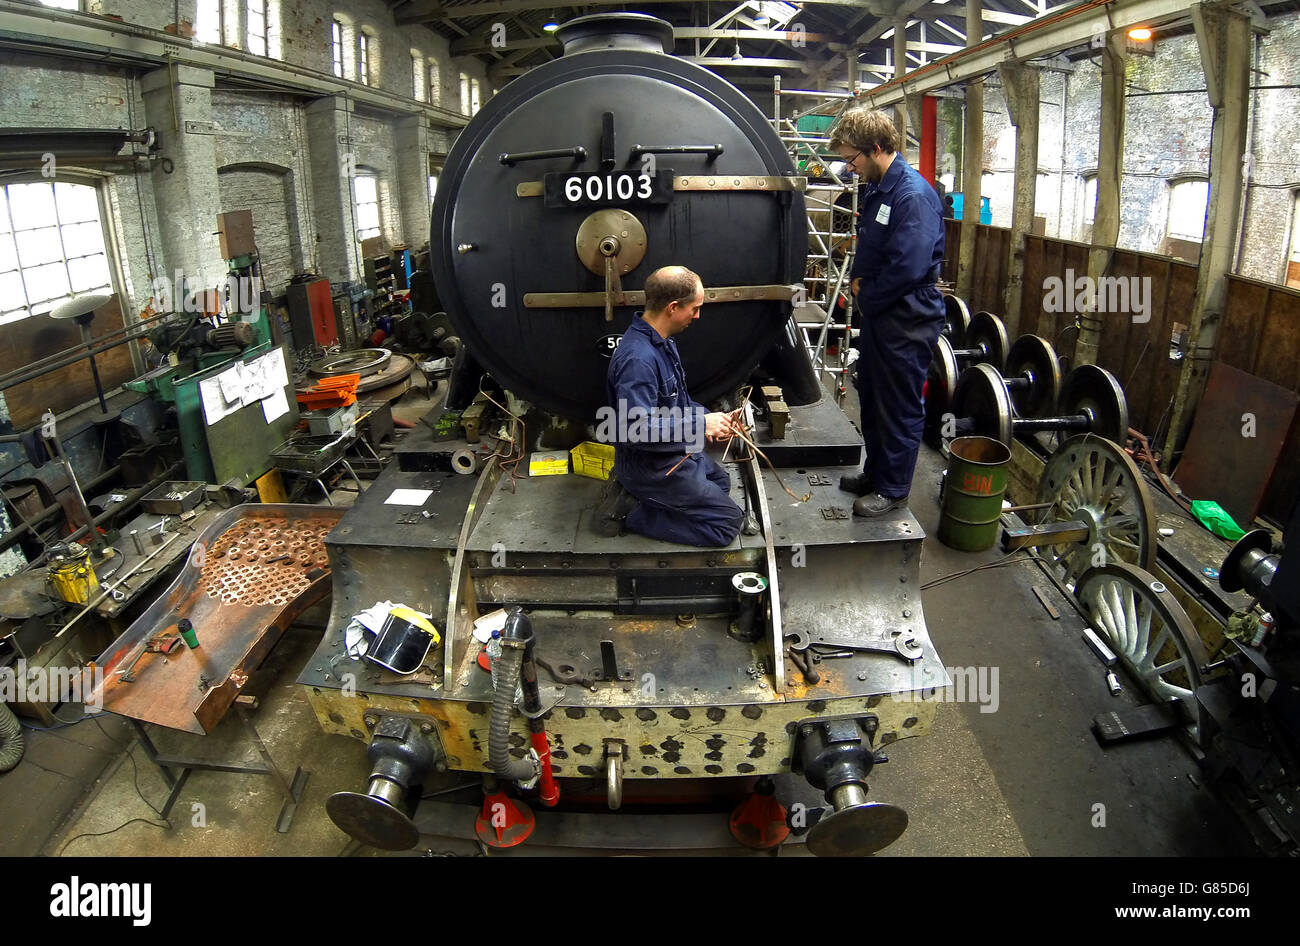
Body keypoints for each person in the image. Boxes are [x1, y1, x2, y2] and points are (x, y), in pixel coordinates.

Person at [829, 108, 946, 517]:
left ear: (876, 149)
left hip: (906, 314)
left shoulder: (911, 195)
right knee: (873, 394)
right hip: (883, 313)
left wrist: (867, 291)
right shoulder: (880, 187)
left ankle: (894, 489)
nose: (850, 167)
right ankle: (877, 473)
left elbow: (909, 267)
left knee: (898, 404)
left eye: (853, 159)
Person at [593, 266, 745, 546]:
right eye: (695, 308)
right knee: (727, 524)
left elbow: (679, 403)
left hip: (672, 453)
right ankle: (632, 513)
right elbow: (635, 429)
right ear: (673, 308)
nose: (697, 316)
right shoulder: (638, 360)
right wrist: (701, 426)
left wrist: (714, 419)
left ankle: (653, 501)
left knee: (722, 483)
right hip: (650, 467)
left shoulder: (662, 343)